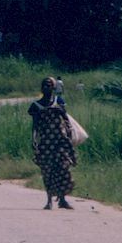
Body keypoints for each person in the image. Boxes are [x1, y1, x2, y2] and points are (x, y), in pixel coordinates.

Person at [29, 77, 77, 210]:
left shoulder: (59, 102)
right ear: (41, 88)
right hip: (45, 143)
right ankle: (49, 200)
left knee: (63, 169)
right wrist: (34, 139)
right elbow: (35, 125)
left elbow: (67, 120)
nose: (46, 87)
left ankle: (62, 200)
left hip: (61, 142)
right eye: (44, 85)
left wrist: (69, 135)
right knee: (47, 170)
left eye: (49, 85)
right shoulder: (36, 106)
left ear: (53, 88)